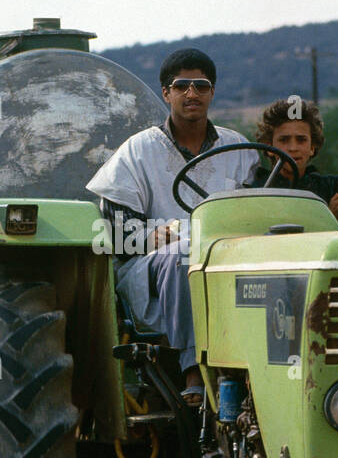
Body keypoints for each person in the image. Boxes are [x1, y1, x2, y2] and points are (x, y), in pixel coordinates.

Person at [87, 48, 258, 404]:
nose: (191, 93)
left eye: (201, 85)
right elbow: (115, 234)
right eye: (182, 86)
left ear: (212, 92)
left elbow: (257, 209)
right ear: (166, 93)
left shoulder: (238, 147)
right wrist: (149, 237)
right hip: (150, 268)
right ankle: (194, 367)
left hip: (226, 258)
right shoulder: (137, 151)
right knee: (184, 255)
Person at [251, 98, 338, 225]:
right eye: (284, 140)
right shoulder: (257, 191)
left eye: (301, 140)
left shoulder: (328, 186)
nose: (293, 148)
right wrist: (330, 217)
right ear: (269, 147)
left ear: (312, 148)